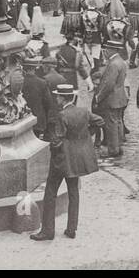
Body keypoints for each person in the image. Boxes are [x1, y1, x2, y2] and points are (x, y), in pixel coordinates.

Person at [31, 83, 102, 241]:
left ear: (63, 98)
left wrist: (52, 145)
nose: (56, 98)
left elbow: (57, 141)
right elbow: (99, 121)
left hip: (61, 160)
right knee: (73, 192)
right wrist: (85, 138)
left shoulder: (62, 116)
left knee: (50, 193)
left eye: (58, 96)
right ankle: (71, 229)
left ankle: (48, 231)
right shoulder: (83, 112)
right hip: (77, 160)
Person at [93, 37, 130, 159]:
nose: (106, 51)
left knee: (111, 124)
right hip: (120, 97)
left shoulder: (113, 64)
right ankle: (118, 146)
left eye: (107, 49)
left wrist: (99, 97)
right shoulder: (121, 62)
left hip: (112, 98)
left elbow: (109, 84)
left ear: (111, 49)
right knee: (118, 122)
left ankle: (113, 149)